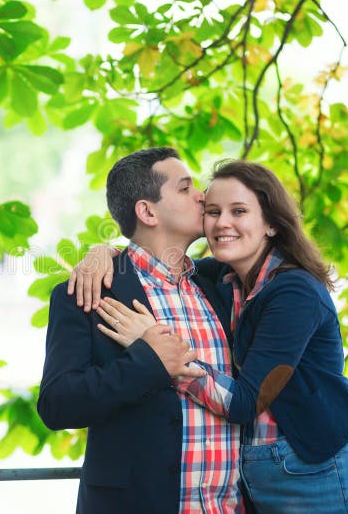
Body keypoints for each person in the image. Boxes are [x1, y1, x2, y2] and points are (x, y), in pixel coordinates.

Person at [84, 160, 348, 513]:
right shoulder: (223, 280)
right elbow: (153, 262)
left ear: (271, 224)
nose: (222, 222)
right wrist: (102, 253)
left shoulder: (294, 292)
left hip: (315, 475)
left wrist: (157, 348)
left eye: (239, 211)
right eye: (213, 211)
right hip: (252, 484)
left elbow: (244, 402)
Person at [37, 147, 247, 514]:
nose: (202, 195)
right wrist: (149, 364)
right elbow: (57, 405)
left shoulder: (223, 282)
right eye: (185, 188)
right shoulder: (90, 293)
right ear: (147, 211)